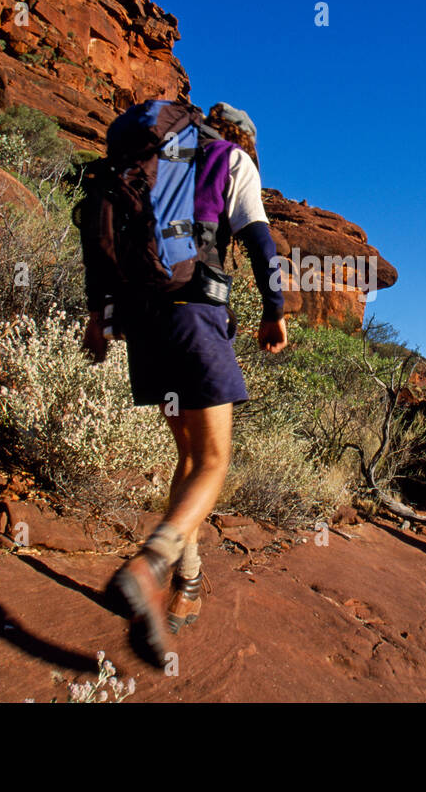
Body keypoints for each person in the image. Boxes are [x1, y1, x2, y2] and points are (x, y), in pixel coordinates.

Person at [82, 101, 288, 666]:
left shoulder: (141, 166)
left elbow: (99, 246)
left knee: (188, 454)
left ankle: (188, 586)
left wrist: (100, 320)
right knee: (216, 460)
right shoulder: (230, 160)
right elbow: (260, 242)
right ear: (240, 136)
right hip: (194, 314)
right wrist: (275, 310)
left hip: (144, 323)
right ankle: (153, 564)